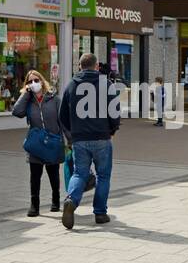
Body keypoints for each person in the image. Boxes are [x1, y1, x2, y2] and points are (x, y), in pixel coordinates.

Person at [59, 52, 120, 228]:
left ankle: (71, 200)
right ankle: (100, 213)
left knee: (80, 173)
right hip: (102, 137)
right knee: (103, 175)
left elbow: (62, 116)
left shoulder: (71, 85)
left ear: (80, 66)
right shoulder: (106, 83)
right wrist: (112, 130)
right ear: (97, 66)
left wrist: (72, 135)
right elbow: (114, 111)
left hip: (80, 139)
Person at [13, 70, 64, 217]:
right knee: (35, 176)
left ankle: (56, 200)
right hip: (36, 143)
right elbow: (16, 112)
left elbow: (62, 121)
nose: (33, 83)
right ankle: (34, 205)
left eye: (36, 80)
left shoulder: (54, 99)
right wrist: (26, 94)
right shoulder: (28, 101)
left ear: (42, 81)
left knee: (53, 174)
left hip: (52, 141)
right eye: (30, 82)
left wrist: (68, 140)